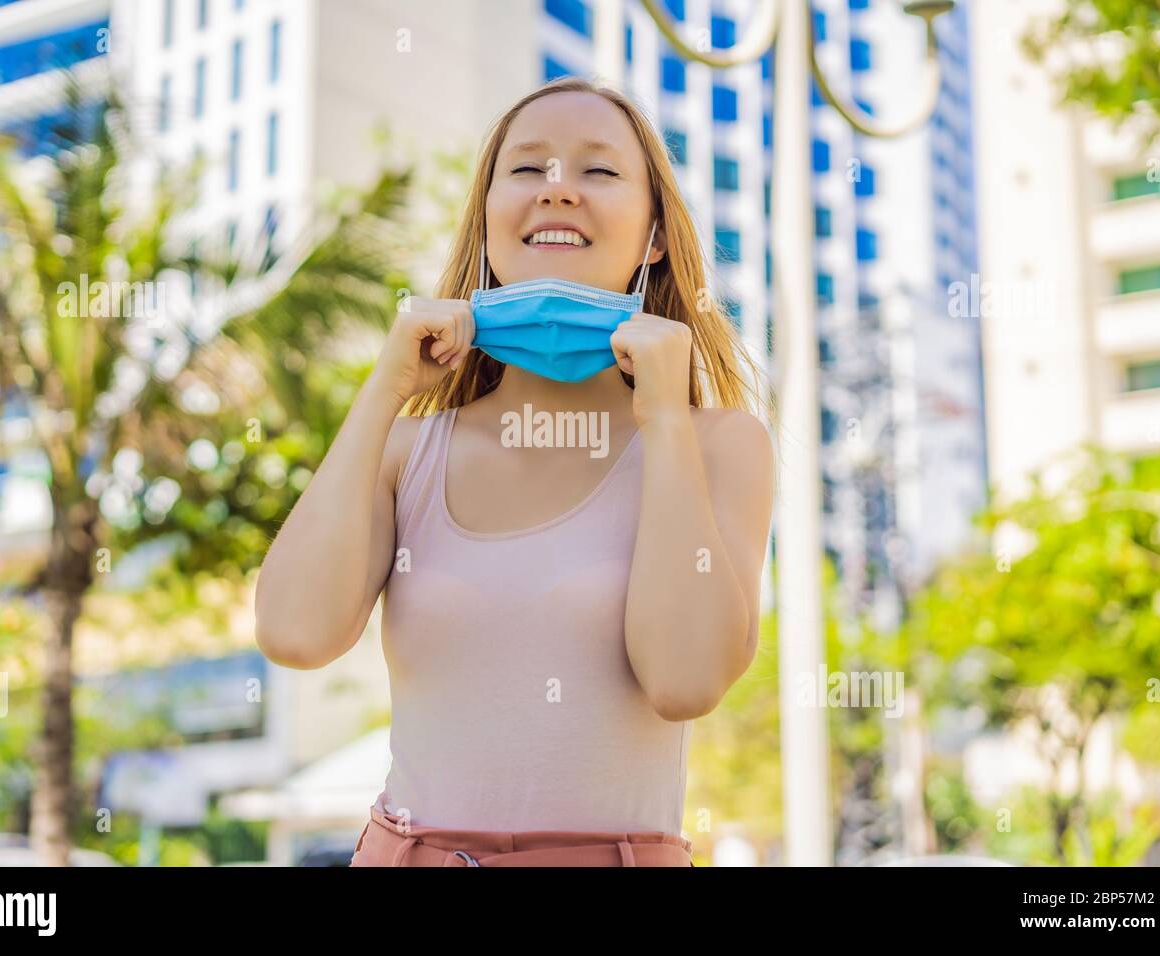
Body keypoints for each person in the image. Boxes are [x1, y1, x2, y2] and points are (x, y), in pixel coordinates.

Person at [254, 76, 776, 866]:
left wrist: (664, 419)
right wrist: (383, 394)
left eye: (598, 172)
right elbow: (293, 634)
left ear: (656, 235)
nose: (558, 190)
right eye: (527, 170)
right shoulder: (408, 449)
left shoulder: (719, 446)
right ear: (489, 217)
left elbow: (685, 678)